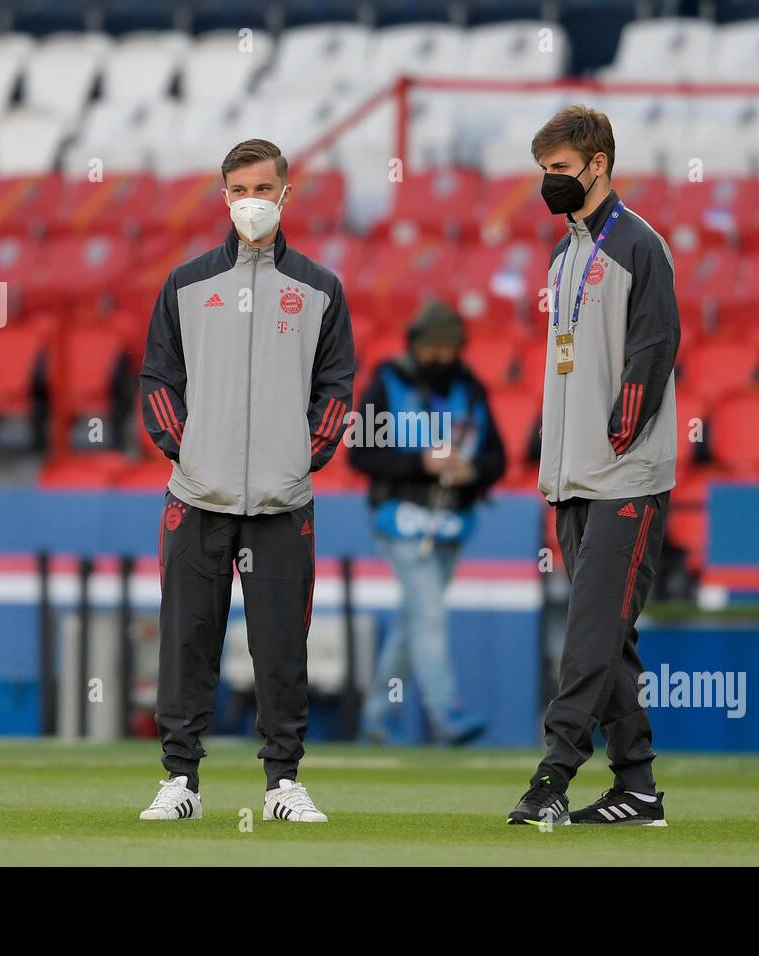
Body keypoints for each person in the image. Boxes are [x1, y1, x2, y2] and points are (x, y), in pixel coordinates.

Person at [137, 139, 354, 824]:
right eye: (239, 189)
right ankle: (181, 782)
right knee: (187, 640)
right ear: (224, 196)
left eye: (264, 188)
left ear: (287, 195)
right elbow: (156, 383)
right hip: (196, 498)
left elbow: (337, 389)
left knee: (282, 647)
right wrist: (189, 452)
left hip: (282, 503)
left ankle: (282, 784)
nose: (251, 200)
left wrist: (300, 458)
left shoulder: (321, 289)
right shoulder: (186, 284)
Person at [508, 105, 681, 827]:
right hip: (570, 479)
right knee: (609, 636)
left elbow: (654, 344)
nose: (548, 184)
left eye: (559, 171)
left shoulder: (639, 246)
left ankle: (553, 774)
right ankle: (637, 788)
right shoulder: (564, 255)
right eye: (543, 172)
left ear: (598, 164)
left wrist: (623, 427)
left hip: (624, 478)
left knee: (587, 634)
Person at [349, 301, 505, 745]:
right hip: (399, 520)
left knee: (414, 618)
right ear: (416, 345)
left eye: (448, 348)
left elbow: (497, 457)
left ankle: (377, 719)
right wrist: (422, 463)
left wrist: (471, 473)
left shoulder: (471, 390)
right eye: (432, 347)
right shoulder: (387, 382)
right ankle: (446, 713)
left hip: (453, 522)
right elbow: (361, 454)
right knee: (430, 614)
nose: (439, 356)